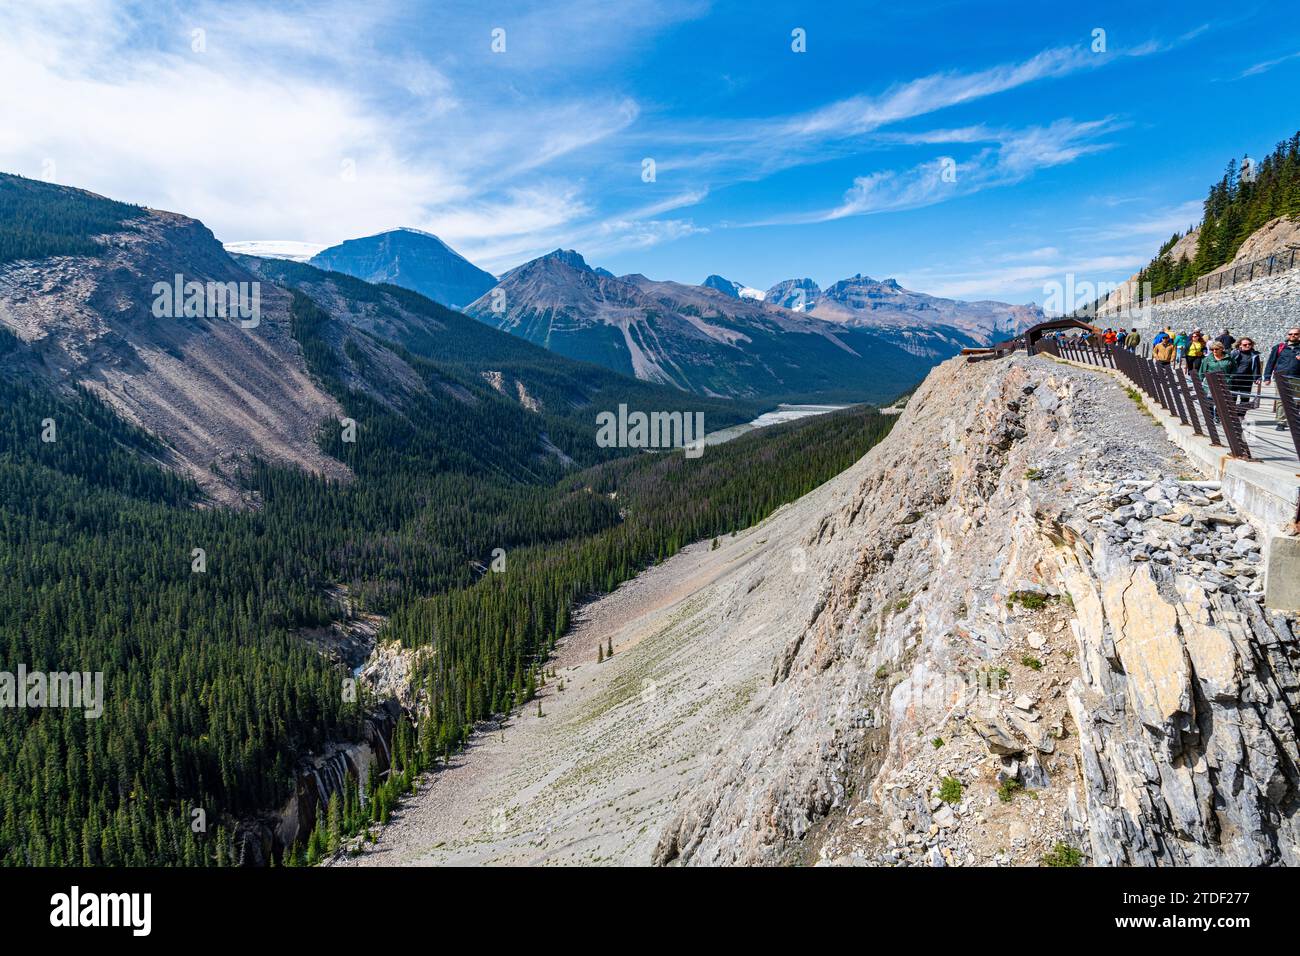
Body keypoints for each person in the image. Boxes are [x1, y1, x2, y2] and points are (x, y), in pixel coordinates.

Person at [1263, 326, 1300, 430]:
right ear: (1287, 335)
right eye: (1290, 334)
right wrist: (1267, 377)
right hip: (1281, 377)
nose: (1292, 336)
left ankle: (1293, 422)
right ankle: (1281, 422)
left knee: (1296, 401)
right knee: (1281, 400)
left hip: (1297, 378)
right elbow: (1271, 362)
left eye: (1296, 334)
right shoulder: (1279, 347)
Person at [1227, 338, 1262, 416]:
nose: (1247, 346)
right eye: (1245, 344)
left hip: (1247, 380)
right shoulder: (1234, 353)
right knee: (1232, 398)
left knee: (1245, 399)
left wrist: (1257, 377)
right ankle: (1232, 416)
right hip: (1234, 379)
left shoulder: (1254, 355)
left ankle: (1241, 416)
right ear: (1240, 345)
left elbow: (1257, 367)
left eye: (1249, 344)